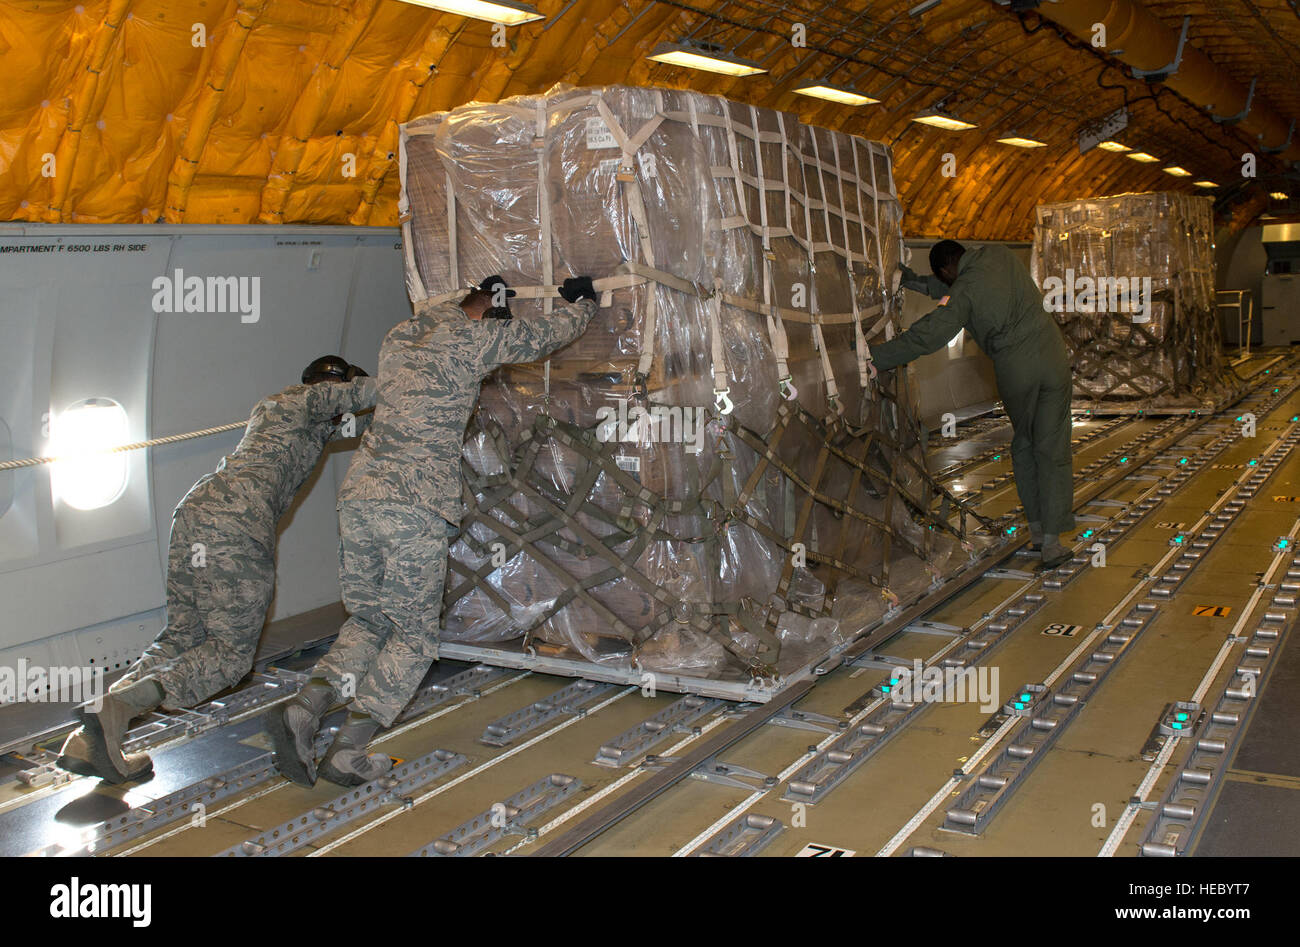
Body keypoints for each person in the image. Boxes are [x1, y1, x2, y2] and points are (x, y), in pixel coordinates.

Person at [271, 275, 600, 788]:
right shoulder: (476, 337)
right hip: (413, 506)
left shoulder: (398, 335)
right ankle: (348, 751)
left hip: (360, 499)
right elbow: (543, 338)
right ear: (490, 310)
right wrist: (581, 305)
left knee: (368, 620)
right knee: (414, 636)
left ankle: (305, 709)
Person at [56, 357, 377, 783]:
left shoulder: (290, 413)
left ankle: (90, 737)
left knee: (182, 637)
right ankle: (121, 707)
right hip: (236, 523)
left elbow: (351, 423)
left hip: (197, 511)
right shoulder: (310, 398)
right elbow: (376, 392)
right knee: (230, 654)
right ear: (332, 384)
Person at [866, 240, 1075, 568]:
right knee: (1053, 447)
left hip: (1017, 368)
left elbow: (931, 333)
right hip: (1053, 356)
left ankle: (1037, 532)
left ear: (948, 270)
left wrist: (876, 357)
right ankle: (1053, 542)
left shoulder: (962, 291)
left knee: (1025, 446)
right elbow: (960, 288)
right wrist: (907, 278)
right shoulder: (1000, 255)